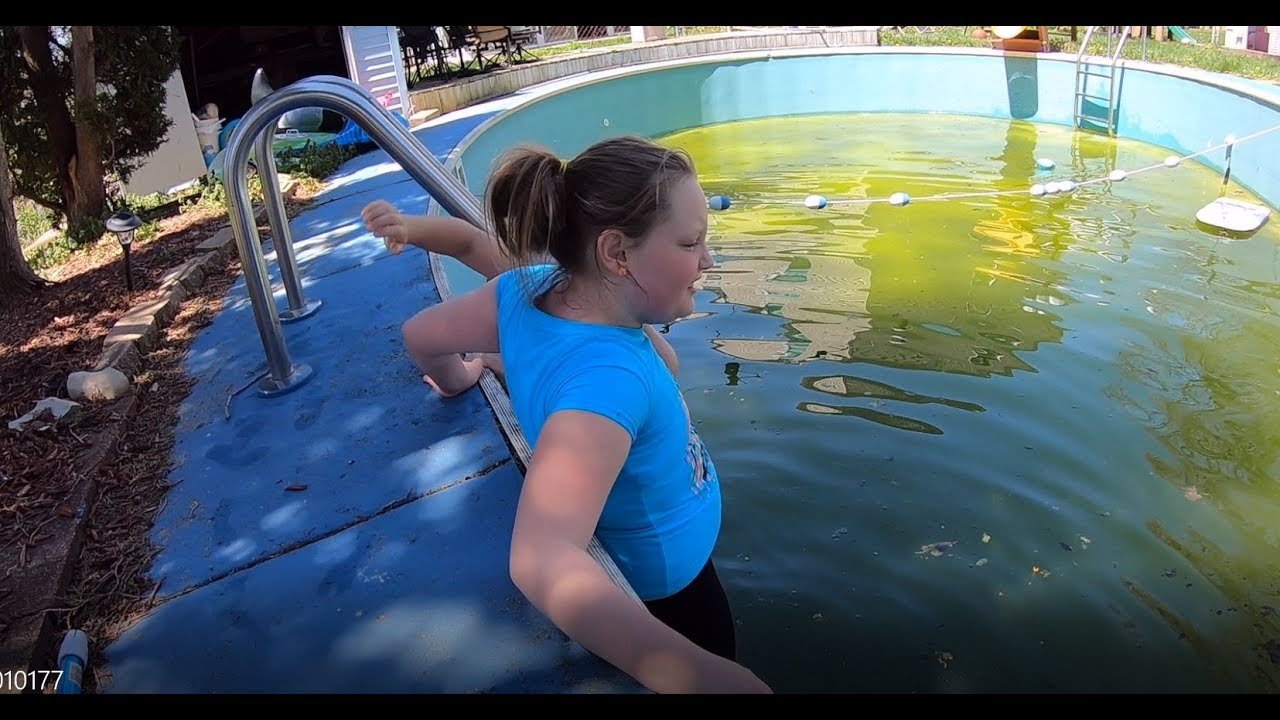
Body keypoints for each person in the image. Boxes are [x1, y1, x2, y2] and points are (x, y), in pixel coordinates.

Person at [381, 135, 771, 694]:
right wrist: (701, 676)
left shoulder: (524, 291)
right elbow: (540, 557)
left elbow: (418, 335)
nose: (708, 260)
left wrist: (458, 378)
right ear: (616, 254)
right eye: (691, 243)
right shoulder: (607, 386)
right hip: (664, 601)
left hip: (659, 561)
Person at [361, 199, 682, 396]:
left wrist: (460, 378)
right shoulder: (540, 276)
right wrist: (406, 226)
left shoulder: (544, 277)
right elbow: (467, 242)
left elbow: (468, 243)